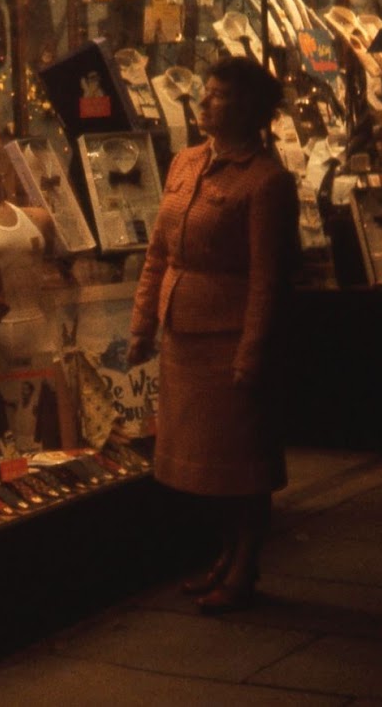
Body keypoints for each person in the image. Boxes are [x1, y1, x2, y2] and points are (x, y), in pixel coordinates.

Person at [128, 55, 299, 614]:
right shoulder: (185, 163)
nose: (204, 102)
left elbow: (268, 279)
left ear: (249, 108)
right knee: (206, 467)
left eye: (219, 94)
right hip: (184, 337)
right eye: (205, 91)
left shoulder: (266, 181)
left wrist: (252, 354)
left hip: (229, 341)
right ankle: (225, 556)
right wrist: (142, 325)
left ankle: (245, 565)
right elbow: (158, 253)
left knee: (241, 466)